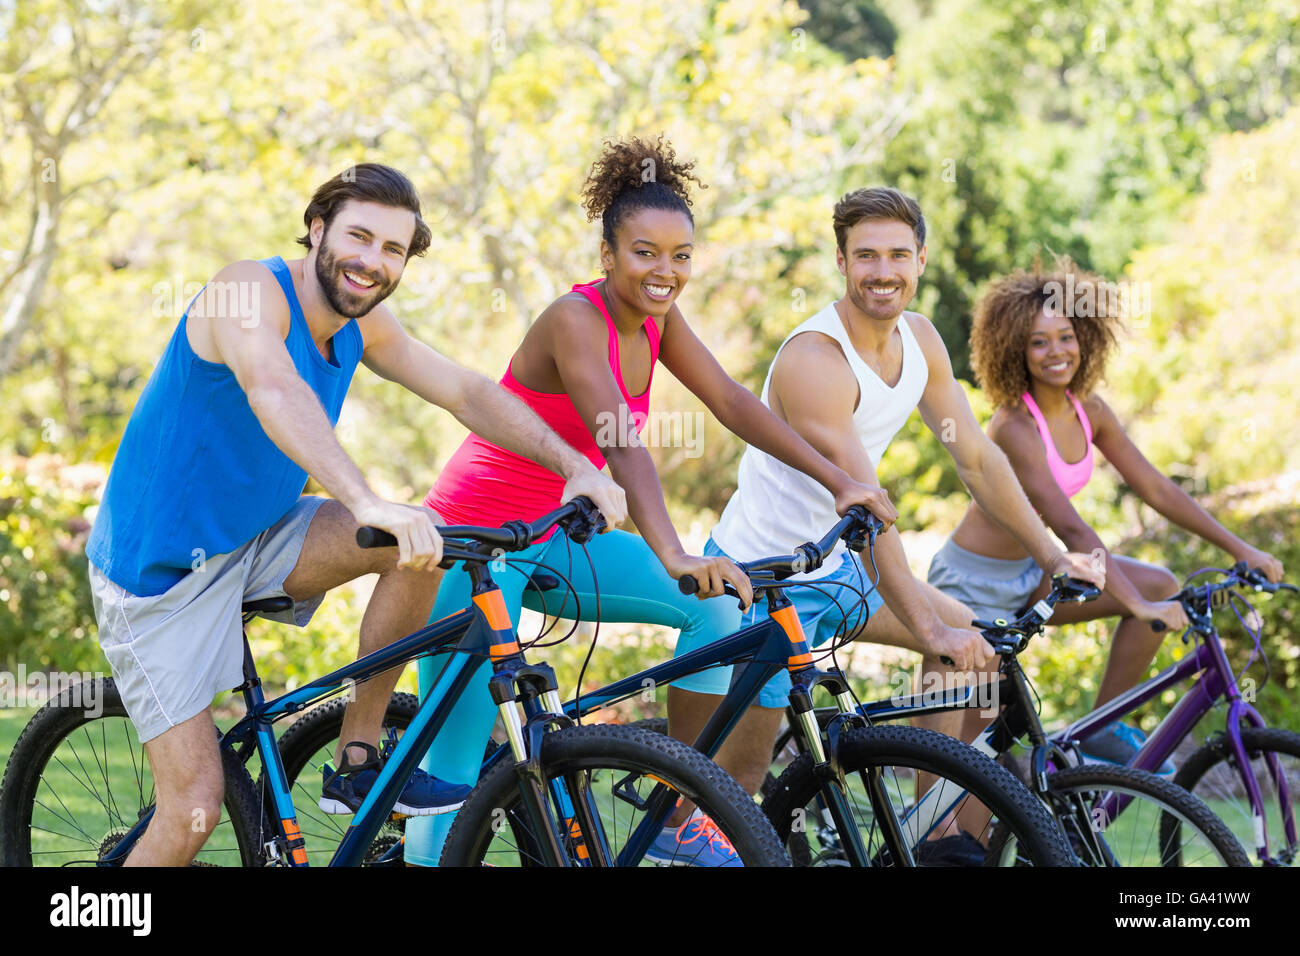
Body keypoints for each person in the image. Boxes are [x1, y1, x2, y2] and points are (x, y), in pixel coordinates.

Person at [84, 163, 626, 866]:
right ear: (318, 229)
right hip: (158, 573)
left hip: (260, 537)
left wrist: (575, 464)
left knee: (424, 540)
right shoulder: (247, 290)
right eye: (359, 237)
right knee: (191, 812)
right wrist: (365, 500)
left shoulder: (363, 321)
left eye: (393, 249)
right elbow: (273, 386)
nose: (373, 261)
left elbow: (464, 391)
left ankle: (357, 757)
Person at [401, 136, 896, 867]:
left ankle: (676, 803)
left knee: (716, 609)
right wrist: (672, 551)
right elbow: (621, 441)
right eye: (644, 253)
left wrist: (839, 479)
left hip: (562, 536)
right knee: (452, 776)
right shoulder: (575, 319)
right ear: (607, 256)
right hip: (478, 545)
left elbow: (730, 400)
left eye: (681, 255)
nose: (665, 271)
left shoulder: (658, 319)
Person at [689, 187, 1106, 862]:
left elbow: (974, 454)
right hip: (766, 582)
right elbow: (865, 505)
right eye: (866, 256)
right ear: (841, 261)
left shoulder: (919, 339)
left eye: (897, 254)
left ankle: (928, 835)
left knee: (962, 644)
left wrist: (1052, 556)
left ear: (921, 259)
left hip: (839, 572)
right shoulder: (815, 360)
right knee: (740, 785)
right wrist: (924, 619)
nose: (883, 271)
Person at [927, 259, 1284, 769]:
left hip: (1034, 573)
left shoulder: (1088, 409)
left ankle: (1099, 727)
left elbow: (1157, 488)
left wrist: (1240, 547)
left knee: (1162, 583)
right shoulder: (1014, 426)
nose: (1057, 352)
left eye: (1066, 336)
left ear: (1086, 339)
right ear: (1014, 350)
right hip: (973, 586)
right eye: (1039, 342)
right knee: (977, 764)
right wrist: (1134, 604)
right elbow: (1068, 526)